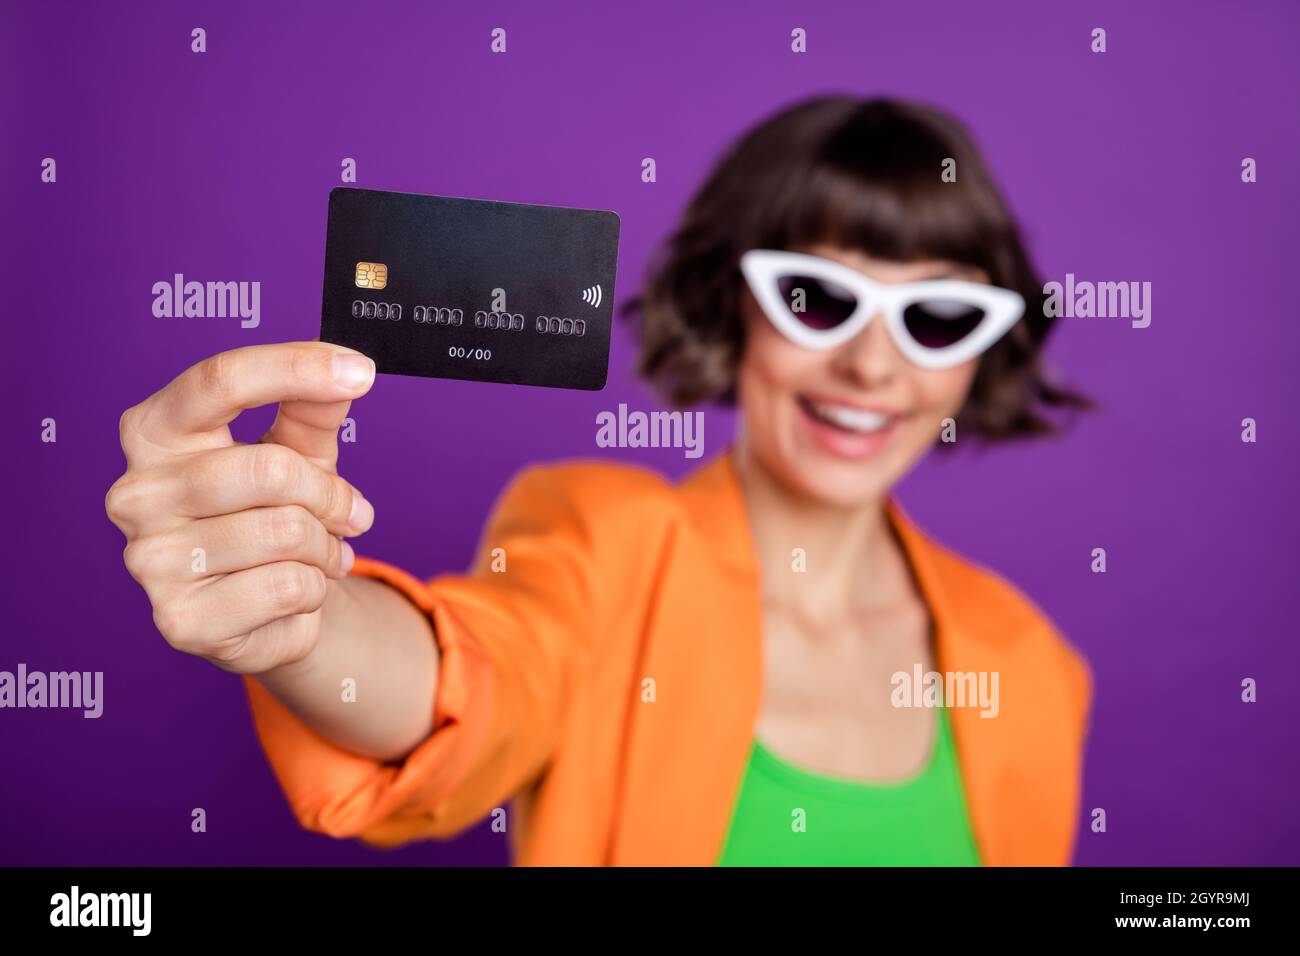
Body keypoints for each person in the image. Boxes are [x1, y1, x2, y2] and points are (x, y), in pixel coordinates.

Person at [106, 96, 1093, 866]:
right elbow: (475, 681)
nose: (872, 368)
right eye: (817, 298)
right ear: (731, 303)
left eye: (935, 317)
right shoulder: (608, 538)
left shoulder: (1031, 665)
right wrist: (300, 611)